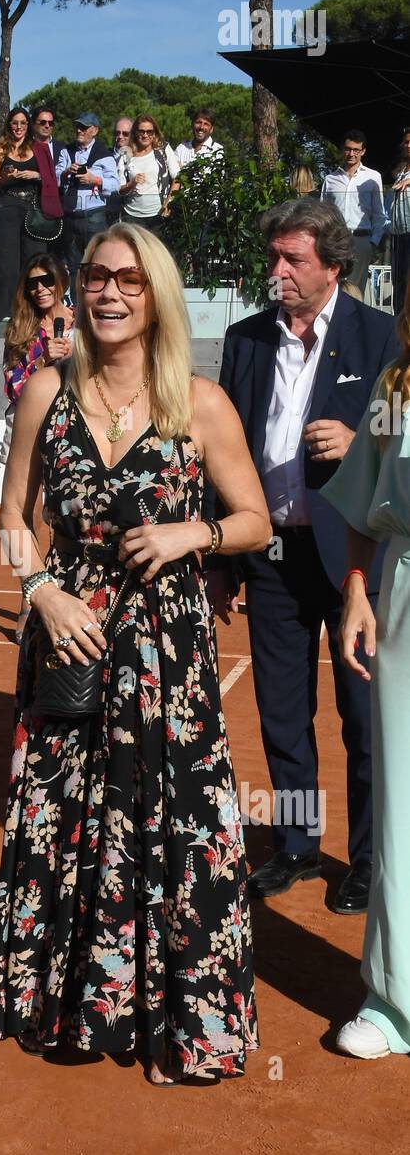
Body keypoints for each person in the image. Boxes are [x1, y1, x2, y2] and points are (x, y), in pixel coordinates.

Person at [0, 222, 270, 1081]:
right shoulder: (44, 391)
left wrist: (197, 531)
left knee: (166, 822)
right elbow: (10, 521)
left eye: (128, 280)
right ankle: (69, 1011)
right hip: (69, 633)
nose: (108, 293)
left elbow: (256, 520)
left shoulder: (201, 402)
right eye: (95, 278)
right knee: (65, 817)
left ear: (155, 297)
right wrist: (42, 592)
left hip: (166, 654)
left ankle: (172, 1025)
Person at [213, 200, 399, 912]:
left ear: (333, 263)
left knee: (364, 717)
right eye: (274, 258)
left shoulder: (379, 336)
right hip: (269, 556)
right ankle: (294, 847)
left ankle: (366, 858)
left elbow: (398, 436)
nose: (278, 272)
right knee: (282, 713)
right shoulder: (247, 340)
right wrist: (222, 554)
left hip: (356, 559)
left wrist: (360, 449)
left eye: (293, 259)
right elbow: (216, 451)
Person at [323, 293, 410, 1059]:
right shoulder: (396, 386)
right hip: (407, 597)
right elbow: (358, 499)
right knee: (403, 802)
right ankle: (394, 999)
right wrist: (357, 587)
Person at [2, 254, 74, 639]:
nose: (40, 288)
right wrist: (42, 359)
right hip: (26, 425)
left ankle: (63, 589)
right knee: (23, 514)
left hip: (73, 427)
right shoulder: (20, 328)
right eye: (32, 283)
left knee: (60, 514)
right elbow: (11, 386)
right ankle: (28, 598)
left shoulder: (86, 322)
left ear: (61, 280)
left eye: (47, 280)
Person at [0, 108, 44, 320]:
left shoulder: (38, 147)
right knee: (6, 262)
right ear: (9, 125)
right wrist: (6, 177)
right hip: (7, 205)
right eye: (14, 123)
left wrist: (35, 174)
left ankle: (33, 311)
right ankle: (4, 311)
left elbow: (49, 176)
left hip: (32, 207)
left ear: (28, 125)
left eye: (23, 123)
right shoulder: (0, 148)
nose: (19, 127)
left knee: (33, 259)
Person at [320, 130, 388, 296]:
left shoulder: (373, 177)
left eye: (356, 150)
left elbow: (380, 214)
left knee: (356, 291)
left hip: (362, 240)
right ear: (343, 149)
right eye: (348, 149)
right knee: (332, 288)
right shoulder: (330, 179)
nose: (351, 154)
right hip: (336, 240)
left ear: (363, 151)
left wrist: (373, 242)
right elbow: (322, 213)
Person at [56, 113, 120, 290]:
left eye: (84, 127)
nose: (79, 130)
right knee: (74, 267)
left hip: (95, 216)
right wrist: (67, 171)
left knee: (97, 264)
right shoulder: (66, 152)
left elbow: (115, 185)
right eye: (77, 126)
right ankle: (77, 309)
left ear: (95, 130)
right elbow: (54, 180)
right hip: (70, 216)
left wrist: (95, 180)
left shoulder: (104, 155)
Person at [117, 113, 180, 237]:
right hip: (132, 216)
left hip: (158, 215)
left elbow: (177, 177)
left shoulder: (163, 150)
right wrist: (132, 183)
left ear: (155, 133)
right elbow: (120, 189)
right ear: (135, 132)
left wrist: (169, 201)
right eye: (141, 131)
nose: (145, 135)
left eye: (149, 131)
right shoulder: (126, 154)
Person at [388, 127, 410, 316]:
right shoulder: (402, 169)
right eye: (406, 142)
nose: (408, 145)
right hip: (398, 234)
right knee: (399, 283)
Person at [105, 117, 133, 224]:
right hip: (111, 212)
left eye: (125, 134)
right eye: (117, 133)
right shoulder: (105, 155)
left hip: (133, 211)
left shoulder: (139, 156)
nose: (120, 137)